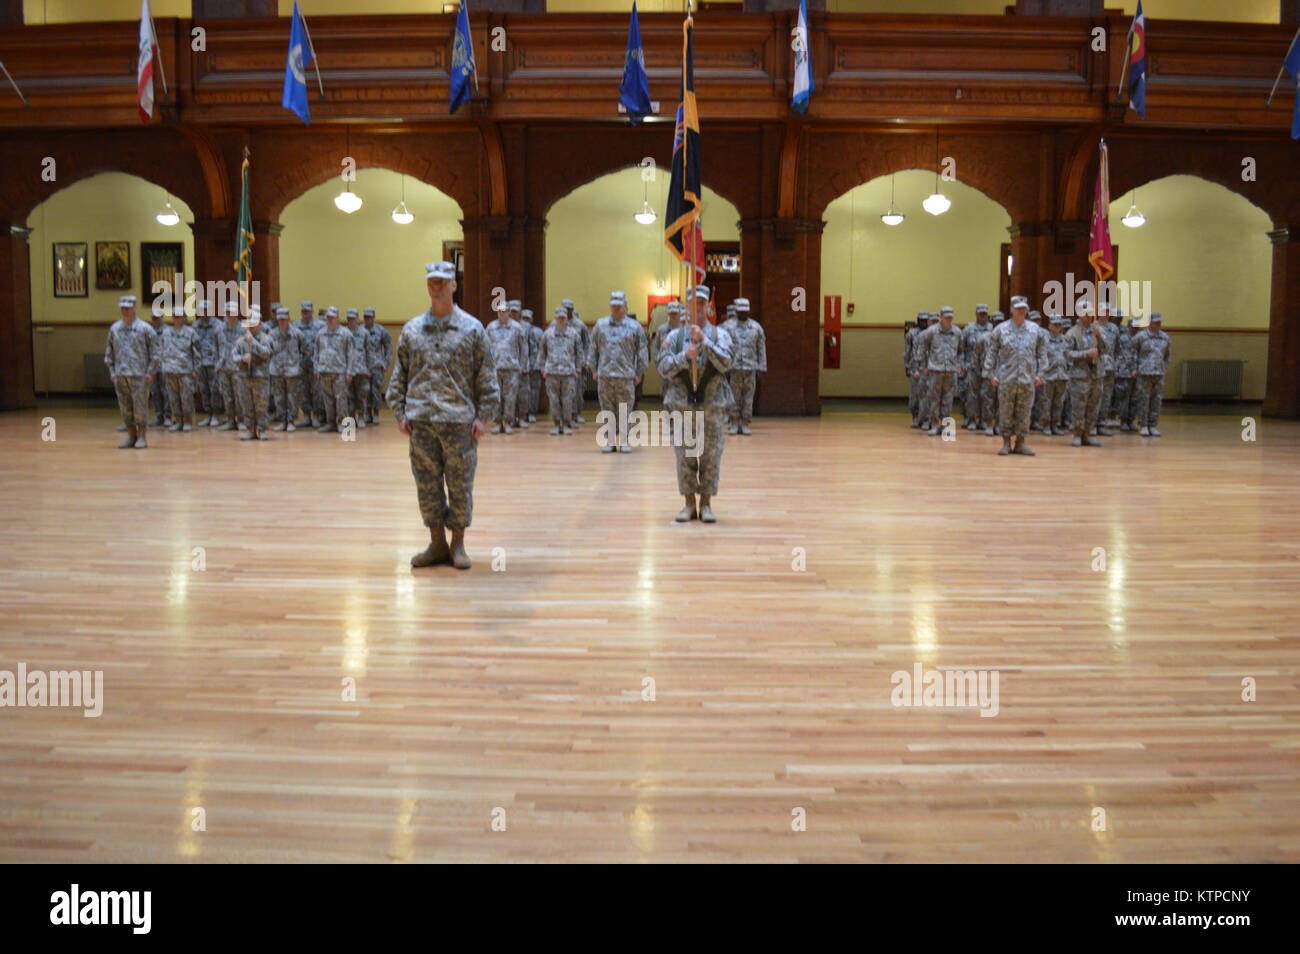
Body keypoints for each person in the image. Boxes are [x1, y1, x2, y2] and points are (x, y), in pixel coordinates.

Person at [388, 262, 500, 571]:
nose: (436, 287)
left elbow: (487, 377)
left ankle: (458, 543)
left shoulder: (472, 329)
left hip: (458, 423)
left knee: (460, 484)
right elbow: (400, 375)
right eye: (432, 282)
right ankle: (436, 543)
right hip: (421, 422)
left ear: (454, 285)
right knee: (427, 484)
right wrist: (399, 411)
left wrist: (484, 416)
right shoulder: (412, 329)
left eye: (443, 282)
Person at [656, 285, 733, 522]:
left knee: (710, 457)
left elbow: (726, 363)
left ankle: (706, 504)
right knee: (685, 457)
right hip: (682, 405)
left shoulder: (721, 335)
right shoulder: (673, 337)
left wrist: (705, 342)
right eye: (693, 304)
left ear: (708, 307)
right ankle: (689, 503)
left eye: (701, 303)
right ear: (686, 308)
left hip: (712, 406)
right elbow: (663, 368)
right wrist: (683, 357)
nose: (697, 308)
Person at [589, 290, 649, 453]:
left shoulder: (635, 327)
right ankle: (609, 441)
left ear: (625, 306)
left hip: (626, 377)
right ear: (610, 306)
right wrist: (594, 369)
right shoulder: (600, 325)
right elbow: (592, 349)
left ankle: (623, 441)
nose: (616, 309)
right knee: (607, 410)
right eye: (613, 306)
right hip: (605, 376)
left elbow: (642, 352)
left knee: (625, 410)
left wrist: (639, 373)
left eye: (619, 306)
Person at [984, 297, 1045, 455]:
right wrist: (990, 374)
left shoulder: (1035, 330)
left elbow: (1042, 354)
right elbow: (991, 353)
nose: (1021, 311)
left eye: (1024, 308)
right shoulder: (1000, 330)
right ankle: (1006, 443)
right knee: (1005, 412)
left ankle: (1020, 443)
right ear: (1011, 309)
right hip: (1006, 379)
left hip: (1027, 379)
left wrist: (1041, 374)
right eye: (1018, 308)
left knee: (1024, 413)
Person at [104, 294, 158, 449]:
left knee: (140, 408)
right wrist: (112, 371)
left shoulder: (145, 329)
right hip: (121, 375)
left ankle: (142, 437)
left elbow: (155, 353)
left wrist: (150, 372)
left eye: (128, 308)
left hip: (139, 375)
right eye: (123, 308)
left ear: (135, 308)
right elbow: (109, 352)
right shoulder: (115, 329)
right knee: (125, 409)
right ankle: (131, 436)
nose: (125, 311)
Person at [1063, 301, 1108, 447]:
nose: (1088, 316)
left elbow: (1106, 349)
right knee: (1078, 408)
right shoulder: (1072, 333)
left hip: (1096, 375)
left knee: (1093, 407)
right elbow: (1067, 354)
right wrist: (1086, 354)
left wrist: (1099, 336)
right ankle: (1077, 434)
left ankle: (1087, 434)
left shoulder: (1098, 330)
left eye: (1090, 313)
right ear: (1079, 314)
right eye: (1085, 313)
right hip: (1080, 377)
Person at [916, 306, 964, 436]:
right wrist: (924, 366)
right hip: (935, 370)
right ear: (941, 317)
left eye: (950, 317)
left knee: (948, 400)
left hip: (951, 371)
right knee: (934, 399)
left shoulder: (957, 332)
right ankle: (934, 425)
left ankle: (945, 426)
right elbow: (921, 349)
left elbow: (961, 352)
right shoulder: (931, 332)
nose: (949, 319)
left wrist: (959, 365)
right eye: (946, 316)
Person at [722, 298, 766, 435]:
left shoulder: (756, 327)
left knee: (748, 398)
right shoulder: (728, 327)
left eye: (745, 311)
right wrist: (724, 366)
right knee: (734, 397)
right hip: (734, 368)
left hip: (750, 368)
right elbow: (723, 346)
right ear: (736, 311)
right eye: (740, 311)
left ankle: (745, 423)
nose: (743, 313)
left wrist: (762, 367)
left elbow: (761, 348)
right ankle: (734, 422)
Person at [485, 301, 527, 434]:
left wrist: (522, 365)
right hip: (495, 368)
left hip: (512, 368)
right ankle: (497, 422)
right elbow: (485, 347)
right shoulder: (491, 328)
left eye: (504, 311)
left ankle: (508, 422)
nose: (502, 314)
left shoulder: (517, 328)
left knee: (510, 397)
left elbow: (524, 348)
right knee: (496, 396)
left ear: (509, 312)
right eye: (499, 312)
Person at [540, 305, 582, 434]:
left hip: (568, 373)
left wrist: (578, 370)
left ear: (566, 319)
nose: (561, 320)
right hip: (552, 372)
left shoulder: (574, 334)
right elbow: (542, 353)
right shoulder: (547, 334)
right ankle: (556, 424)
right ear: (555, 318)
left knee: (568, 400)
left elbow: (579, 353)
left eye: (563, 318)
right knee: (553, 401)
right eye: (559, 318)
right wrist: (543, 369)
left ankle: (566, 423)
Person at [232, 305, 272, 440]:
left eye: (255, 324)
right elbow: (233, 357)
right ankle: (250, 429)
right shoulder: (241, 340)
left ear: (260, 324)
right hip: (244, 378)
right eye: (250, 324)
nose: (252, 327)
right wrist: (242, 359)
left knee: (261, 406)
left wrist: (253, 342)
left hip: (260, 378)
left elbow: (266, 354)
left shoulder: (265, 339)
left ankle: (262, 430)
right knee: (247, 405)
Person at [160, 306, 200, 432]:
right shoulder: (166, 333)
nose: (177, 319)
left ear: (184, 318)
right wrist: (163, 368)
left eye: (179, 317)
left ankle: (187, 421)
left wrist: (195, 370)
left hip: (186, 371)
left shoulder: (191, 332)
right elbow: (161, 351)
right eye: (174, 317)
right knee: (173, 398)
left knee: (186, 398)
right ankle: (178, 421)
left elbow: (197, 353)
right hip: (170, 370)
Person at [314, 306, 353, 433]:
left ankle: (342, 423)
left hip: (340, 372)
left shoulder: (346, 333)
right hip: (325, 372)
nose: (330, 320)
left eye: (333, 317)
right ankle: (330, 423)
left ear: (338, 318)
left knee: (341, 399)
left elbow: (351, 354)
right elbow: (316, 353)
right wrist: (317, 369)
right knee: (327, 401)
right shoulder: (320, 334)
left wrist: (350, 372)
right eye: (328, 318)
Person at [1133, 312, 1172, 437]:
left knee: (1157, 400)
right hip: (1144, 373)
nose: (1157, 324)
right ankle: (1143, 425)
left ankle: (1153, 425)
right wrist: (1134, 368)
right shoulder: (1140, 337)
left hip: (1159, 373)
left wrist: (1163, 368)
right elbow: (1133, 354)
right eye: (1155, 322)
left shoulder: (1165, 338)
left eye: (1159, 322)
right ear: (1150, 323)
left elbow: (1167, 356)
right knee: (1143, 400)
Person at [268, 306, 305, 432]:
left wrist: (300, 366)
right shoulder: (272, 334)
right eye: (280, 319)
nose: (282, 321)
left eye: (284, 319)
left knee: (292, 397)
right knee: (279, 397)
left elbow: (305, 350)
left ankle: (291, 421)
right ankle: (282, 421)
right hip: (277, 370)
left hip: (292, 371)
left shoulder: (297, 334)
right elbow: (268, 351)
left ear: (289, 318)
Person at [217, 300, 246, 431]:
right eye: (228, 312)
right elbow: (216, 347)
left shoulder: (243, 329)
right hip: (224, 367)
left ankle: (240, 420)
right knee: (227, 396)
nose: (230, 314)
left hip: (237, 368)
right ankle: (230, 420)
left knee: (239, 396)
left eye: (232, 312)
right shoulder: (219, 329)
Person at [962, 305, 991, 431]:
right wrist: (962, 365)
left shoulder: (992, 329)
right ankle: (971, 419)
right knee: (971, 395)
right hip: (971, 367)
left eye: (984, 314)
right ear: (976, 314)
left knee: (986, 395)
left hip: (987, 368)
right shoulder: (969, 329)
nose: (982, 316)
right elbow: (961, 348)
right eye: (980, 313)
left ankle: (984, 420)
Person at [1038, 314, 1069, 435]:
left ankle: (1055, 425)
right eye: (1055, 324)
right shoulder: (1044, 340)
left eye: (1059, 325)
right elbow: (1040, 358)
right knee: (1046, 403)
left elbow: (1069, 356)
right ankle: (1045, 425)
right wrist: (1040, 374)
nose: (1057, 327)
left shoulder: (1066, 340)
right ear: (1049, 326)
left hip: (1062, 376)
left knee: (1059, 403)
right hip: (1048, 376)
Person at [193, 299, 222, 426]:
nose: (204, 312)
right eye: (202, 310)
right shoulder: (195, 325)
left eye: (206, 309)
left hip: (213, 363)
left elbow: (222, 345)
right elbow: (193, 345)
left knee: (214, 389)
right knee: (203, 390)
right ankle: (208, 414)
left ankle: (215, 415)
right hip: (200, 363)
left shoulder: (218, 325)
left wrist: (220, 363)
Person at [296, 301, 323, 427]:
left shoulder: (320, 326)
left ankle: (317, 416)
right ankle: (306, 416)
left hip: (315, 363)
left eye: (308, 311)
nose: (305, 314)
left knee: (317, 390)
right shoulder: (295, 326)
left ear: (312, 311)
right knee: (303, 390)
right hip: (302, 364)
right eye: (303, 311)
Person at [563, 298, 589, 425]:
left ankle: (576, 414)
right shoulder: (556, 323)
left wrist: (585, 362)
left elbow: (586, 345)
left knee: (577, 391)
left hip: (576, 363)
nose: (566, 311)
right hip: (560, 364)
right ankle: (564, 416)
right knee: (563, 392)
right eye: (565, 308)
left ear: (572, 309)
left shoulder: (580, 325)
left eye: (569, 308)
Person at [364, 307, 392, 425]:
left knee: (376, 391)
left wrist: (386, 363)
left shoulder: (381, 331)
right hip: (364, 366)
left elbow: (388, 348)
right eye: (366, 317)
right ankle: (367, 414)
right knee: (364, 391)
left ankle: (375, 414)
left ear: (374, 317)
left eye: (370, 317)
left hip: (377, 365)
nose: (367, 319)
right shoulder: (361, 331)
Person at [345, 308, 372, 428]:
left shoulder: (364, 333)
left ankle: (361, 416)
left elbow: (369, 352)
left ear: (358, 319)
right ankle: (351, 418)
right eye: (349, 319)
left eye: (353, 318)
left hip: (362, 370)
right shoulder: (344, 333)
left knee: (362, 395)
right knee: (349, 395)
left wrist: (369, 368)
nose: (351, 321)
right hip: (348, 371)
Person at [1115, 314, 1142, 430]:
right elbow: (1117, 354)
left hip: (1138, 372)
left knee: (1135, 399)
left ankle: (1131, 420)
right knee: (1124, 399)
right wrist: (1116, 369)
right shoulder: (1122, 338)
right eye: (1133, 326)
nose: (1135, 329)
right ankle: (1123, 421)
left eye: (1137, 327)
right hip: (1124, 372)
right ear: (1128, 326)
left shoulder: (1141, 338)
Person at [507, 300, 531, 428]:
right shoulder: (505, 325)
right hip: (509, 366)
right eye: (512, 311)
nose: (513, 313)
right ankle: (510, 419)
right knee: (510, 396)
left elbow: (529, 347)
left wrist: (525, 364)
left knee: (523, 395)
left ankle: (521, 417)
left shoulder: (526, 326)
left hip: (523, 366)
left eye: (516, 311)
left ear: (520, 311)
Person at [904, 312, 924, 427]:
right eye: (922, 320)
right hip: (915, 367)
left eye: (926, 320)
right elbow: (907, 351)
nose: (924, 322)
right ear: (918, 320)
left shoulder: (931, 333)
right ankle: (915, 416)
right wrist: (907, 367)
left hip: (927, 368)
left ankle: (925, 418)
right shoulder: (911, 334)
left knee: (927, 395)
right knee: (915, 394)